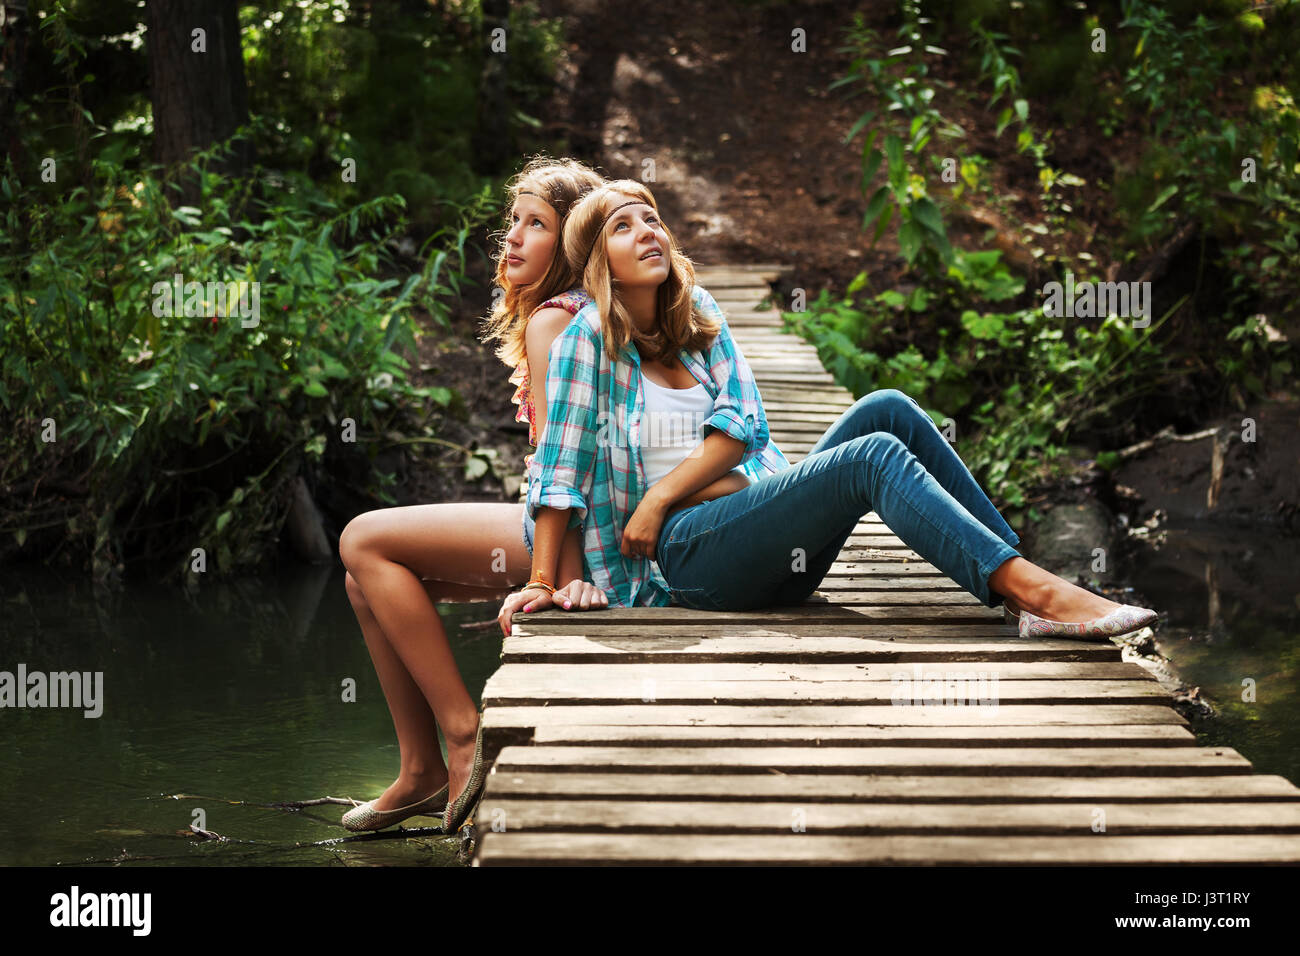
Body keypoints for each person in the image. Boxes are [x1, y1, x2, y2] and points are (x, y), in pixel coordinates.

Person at [502, 179, 1159, 645]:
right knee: (868, 459)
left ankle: (1015, 581)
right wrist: (543, 580)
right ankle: (1040, 594)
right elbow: (560, 467)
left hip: (756, 522)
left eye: (651, 218)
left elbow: (747, 425)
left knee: (889, 410)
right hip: (692, 560)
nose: (646, 231)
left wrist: (660, 496)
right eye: (623, 226)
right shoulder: (586, 341)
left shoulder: (698, 310)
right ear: (596, 263)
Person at [337, 157, 608, 836]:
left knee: (361, 539)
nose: (511, 237)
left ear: (574, 245)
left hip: (581, 542)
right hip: (592, 532)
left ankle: (462, 738)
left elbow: (561, 467)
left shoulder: (555, 321)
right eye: (512, 220)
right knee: (363, 583)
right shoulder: (588, 312)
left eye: (535, 223)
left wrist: (555, 577)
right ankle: (419, 772)